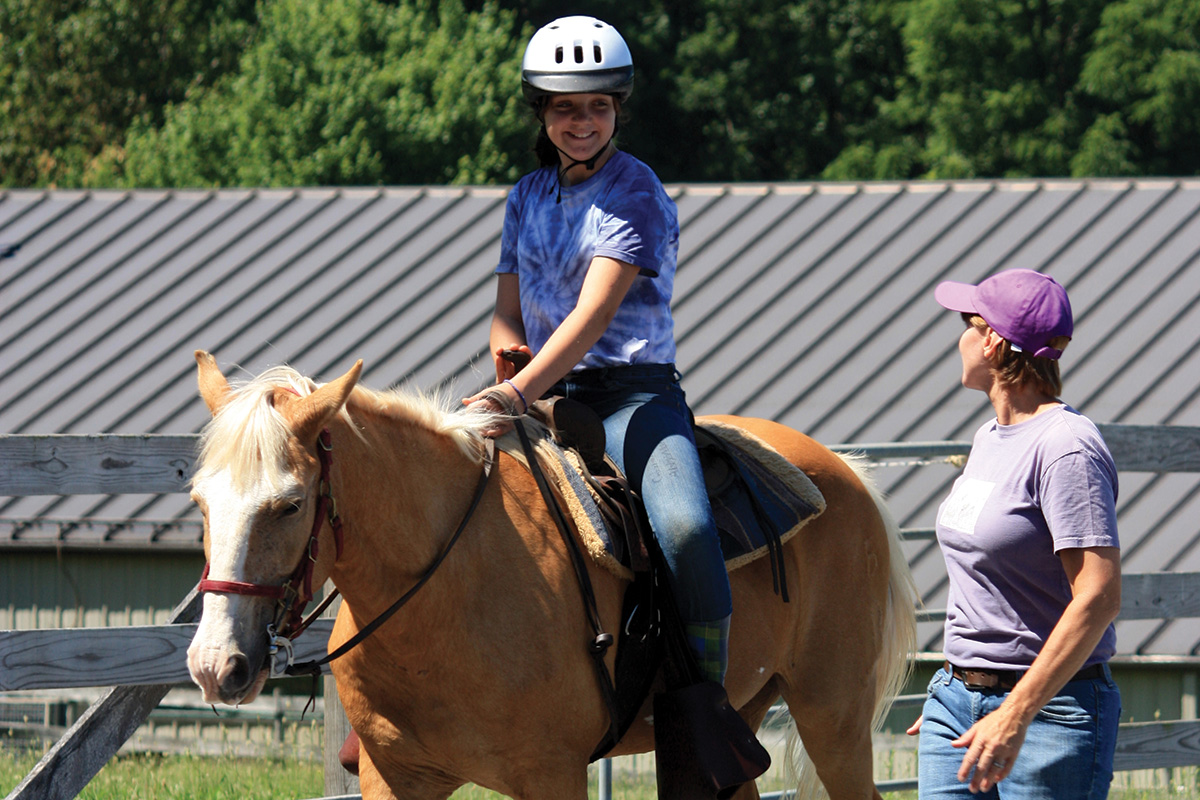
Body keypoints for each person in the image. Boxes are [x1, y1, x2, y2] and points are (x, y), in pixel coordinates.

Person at [462, 16, 733, 685]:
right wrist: (509, 359)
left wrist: (512, 393)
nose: (581, 121)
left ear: (618, 111)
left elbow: (592, 316)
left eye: (597, 106)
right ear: (542, 112)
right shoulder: (526, 196)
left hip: (632, 397)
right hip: (541, 394)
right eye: (565, 107)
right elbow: (506, 311)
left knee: (686, 528)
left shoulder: (634, 189)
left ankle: (705, 696)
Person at [910, 268, 1122, 798]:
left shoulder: (1066, 448)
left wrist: (1014, 712)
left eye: (968, 324)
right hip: (955, 704)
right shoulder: (990, 436)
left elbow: (1098, 596)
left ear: (992, 341)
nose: (960, 339)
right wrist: (960, 689)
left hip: (1048, 713)